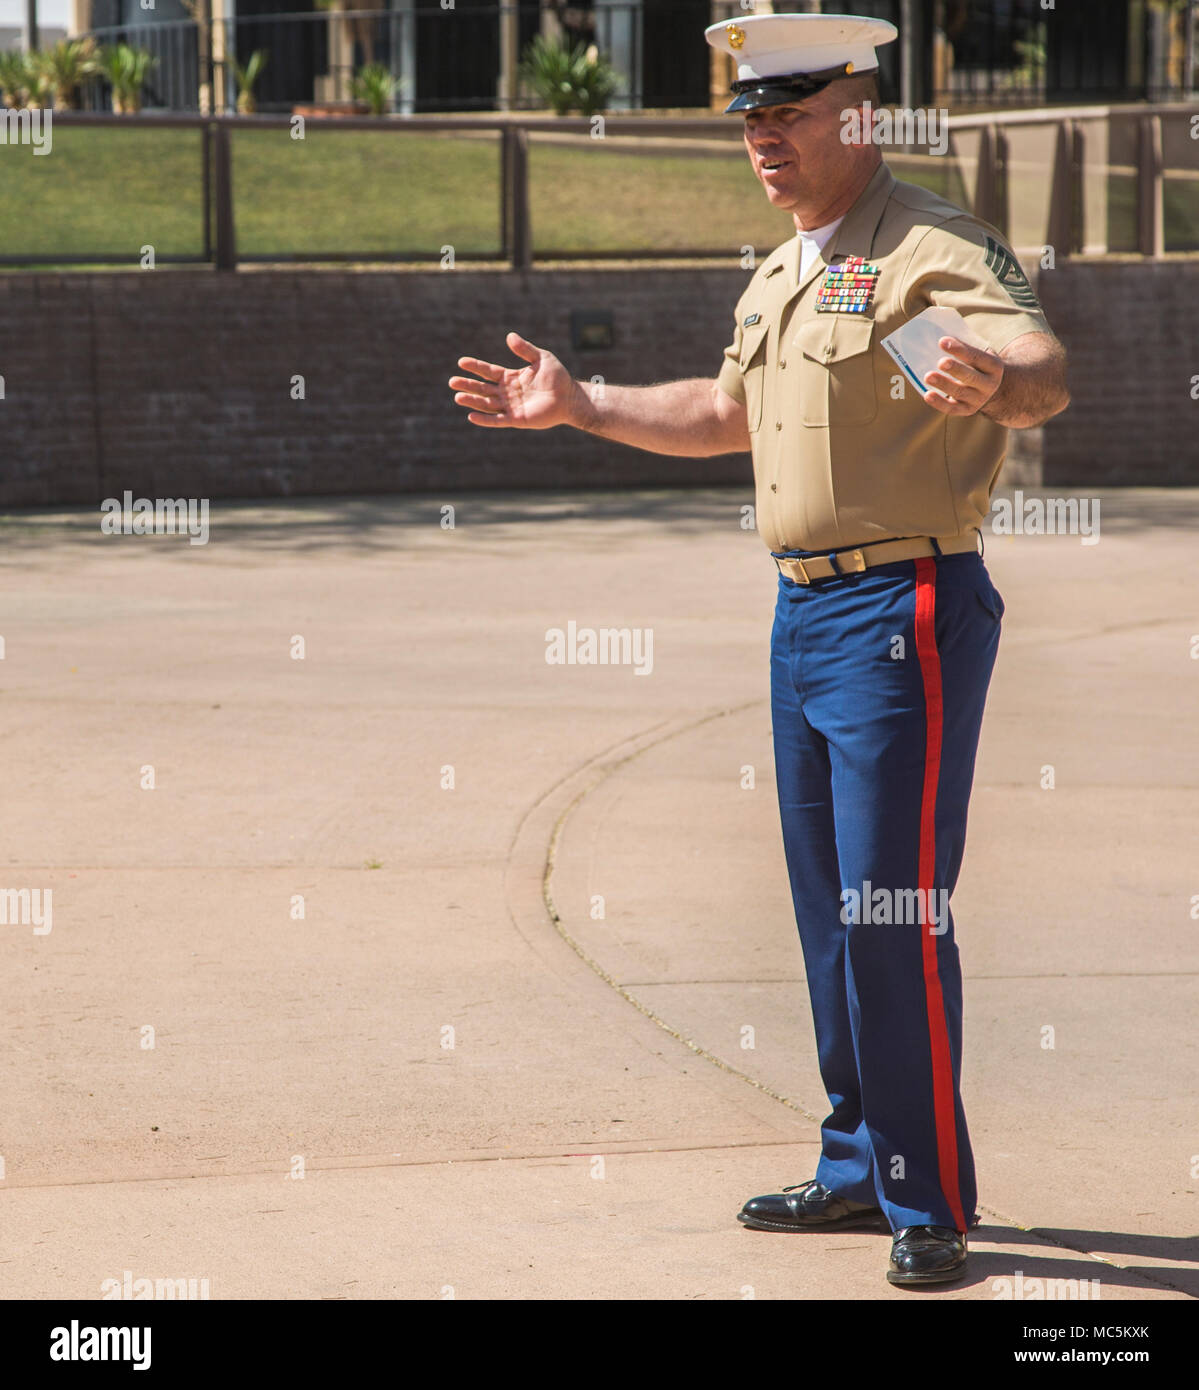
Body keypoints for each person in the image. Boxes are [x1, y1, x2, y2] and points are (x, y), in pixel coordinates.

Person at [447, 11, 1069, 1289]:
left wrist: (996, 389)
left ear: (858, 114)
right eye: (748, 115)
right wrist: (583, 405)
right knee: (827, 914)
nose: (761, 136)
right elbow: (724, 408)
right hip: (800, 615)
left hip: (902, 609)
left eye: (786, 111)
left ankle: (927, 1197)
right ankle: (856, 1167)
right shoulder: (788, 267)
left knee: (889, 907)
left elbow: (1041, 363)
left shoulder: (926, 245)